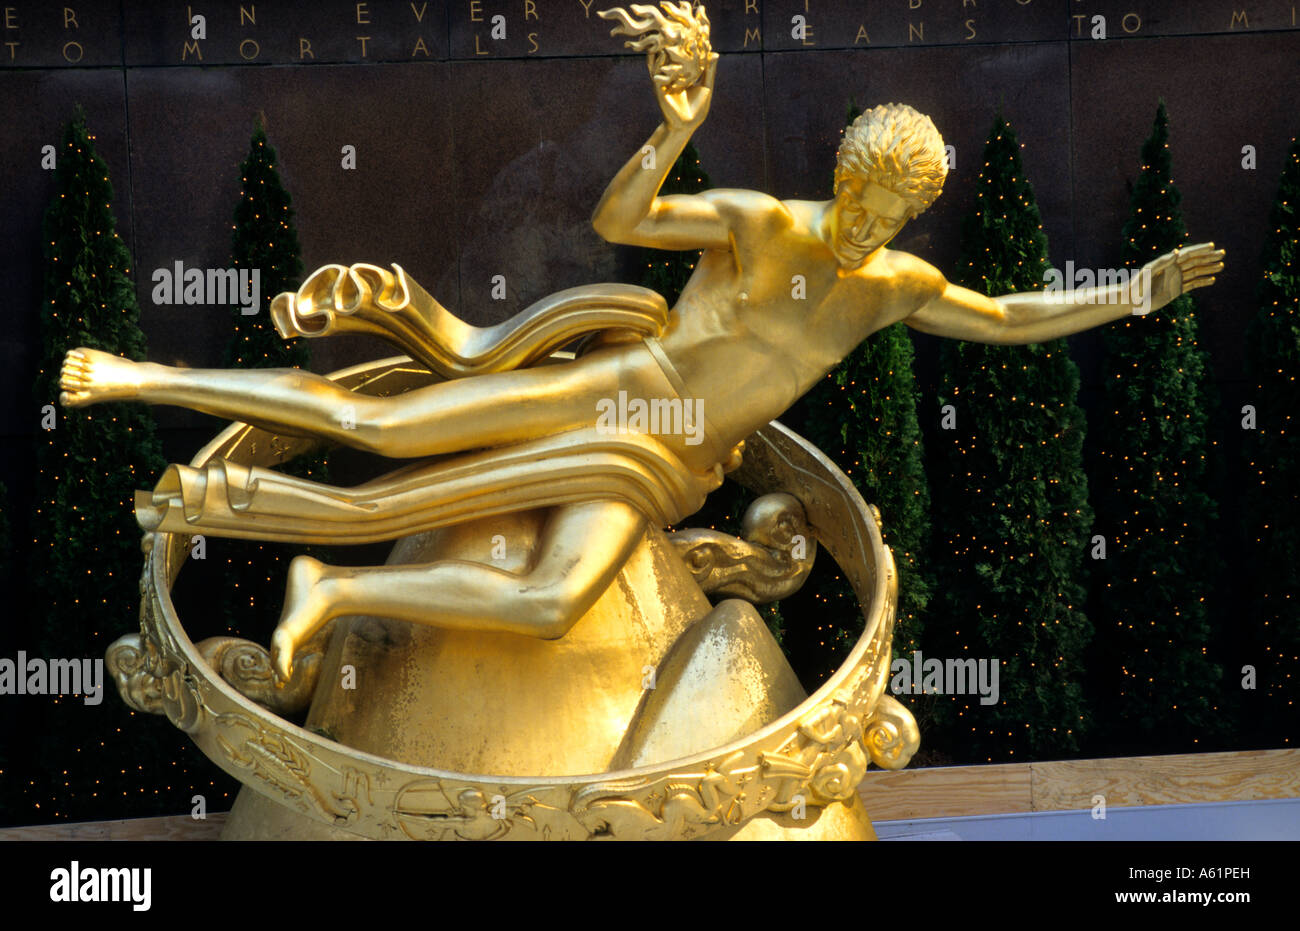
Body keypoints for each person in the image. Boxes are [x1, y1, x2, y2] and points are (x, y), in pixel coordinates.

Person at [60, 41, 1223, 680]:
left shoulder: (896, 288)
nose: (869, 224)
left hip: (674, 470)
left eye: (895, 211)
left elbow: (1009, 319)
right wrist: (669, 128)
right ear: (842, 173)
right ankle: (136, 376)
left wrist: (1130, 293)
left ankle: (335, 589)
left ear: (915, 214)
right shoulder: (763, 220)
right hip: (627, 390)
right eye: (863, 197)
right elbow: (625, 222)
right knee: (382, 426)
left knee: (555, 600)